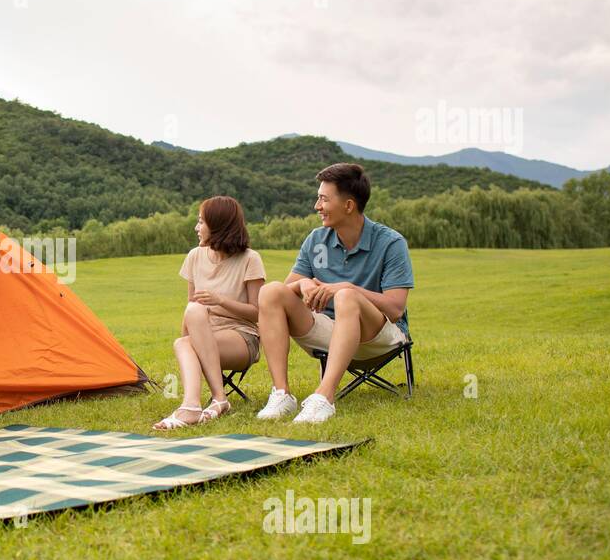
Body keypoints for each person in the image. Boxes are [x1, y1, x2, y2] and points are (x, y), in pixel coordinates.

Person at [255, 163, 414, 424]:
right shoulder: (316, 240)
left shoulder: (391, 243)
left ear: (349, 206)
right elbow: (285, 292)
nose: (317, 206)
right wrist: (303, 284)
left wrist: (347, 288)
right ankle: (282, 394)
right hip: (332, 329)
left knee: (346, 297)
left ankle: (324, 397)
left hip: (379, 335)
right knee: (271, 291)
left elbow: (395, 309)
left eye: (323, 199)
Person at [153, 196, 265, 430]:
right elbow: (190, 309)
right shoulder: (195, 256)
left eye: (201, 222)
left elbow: (257, 313)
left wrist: (220, 301)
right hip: (204, 334)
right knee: (185, 334)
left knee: (187, 337)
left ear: (219, 226)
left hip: (242, 337)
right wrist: (186, 338)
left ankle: (216, 399)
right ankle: (194, 404)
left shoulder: (250, 259)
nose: (197, 228)